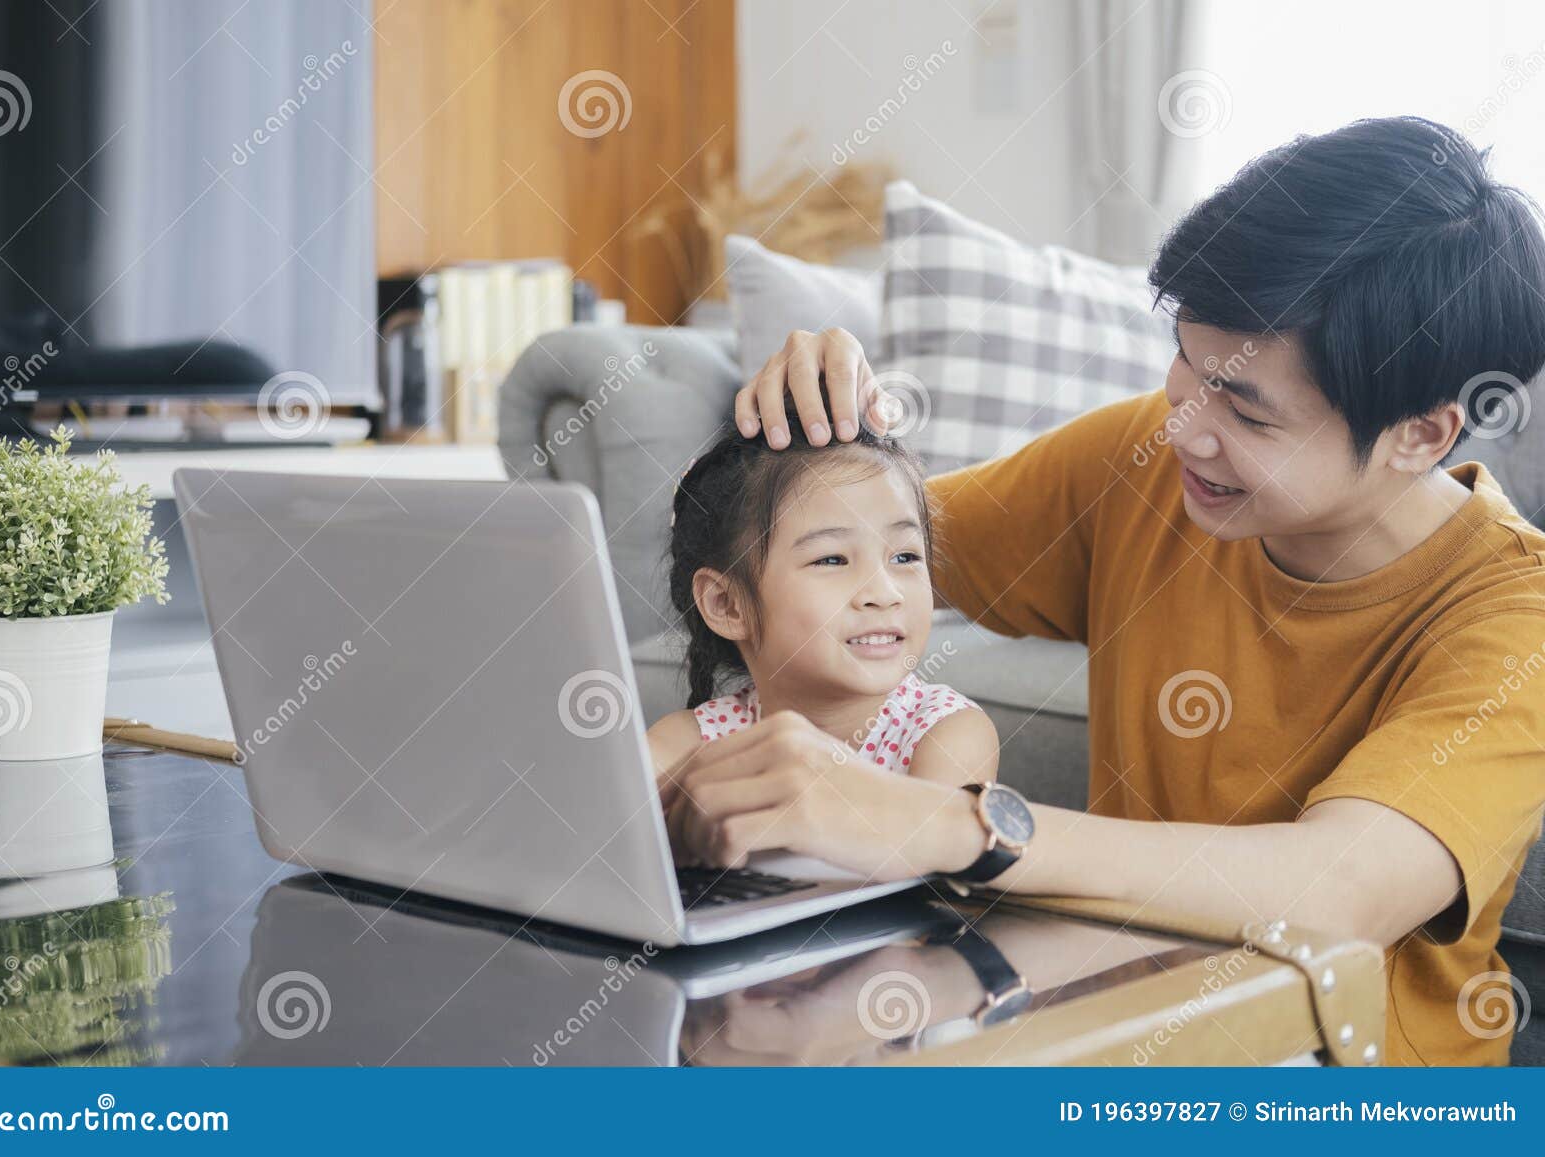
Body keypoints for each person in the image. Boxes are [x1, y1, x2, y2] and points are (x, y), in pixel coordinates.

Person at [662, 116, 1545, 1065]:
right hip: (1106, 1030)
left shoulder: (1514, 616)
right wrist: (821, 441)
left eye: (1245, 408)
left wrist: (946, 822)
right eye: (1189, 368)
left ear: (1421, 434)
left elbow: (1335, 889)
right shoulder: (1140, 461)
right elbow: (839, 561)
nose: (1187, 430)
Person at [646, 397, 1000, 860]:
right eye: (832, 559)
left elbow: (930, 872)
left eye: (905, 556)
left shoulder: (947, 733)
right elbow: (602, 841)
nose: (885, 591)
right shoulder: (694, 739)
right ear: (727, 604)